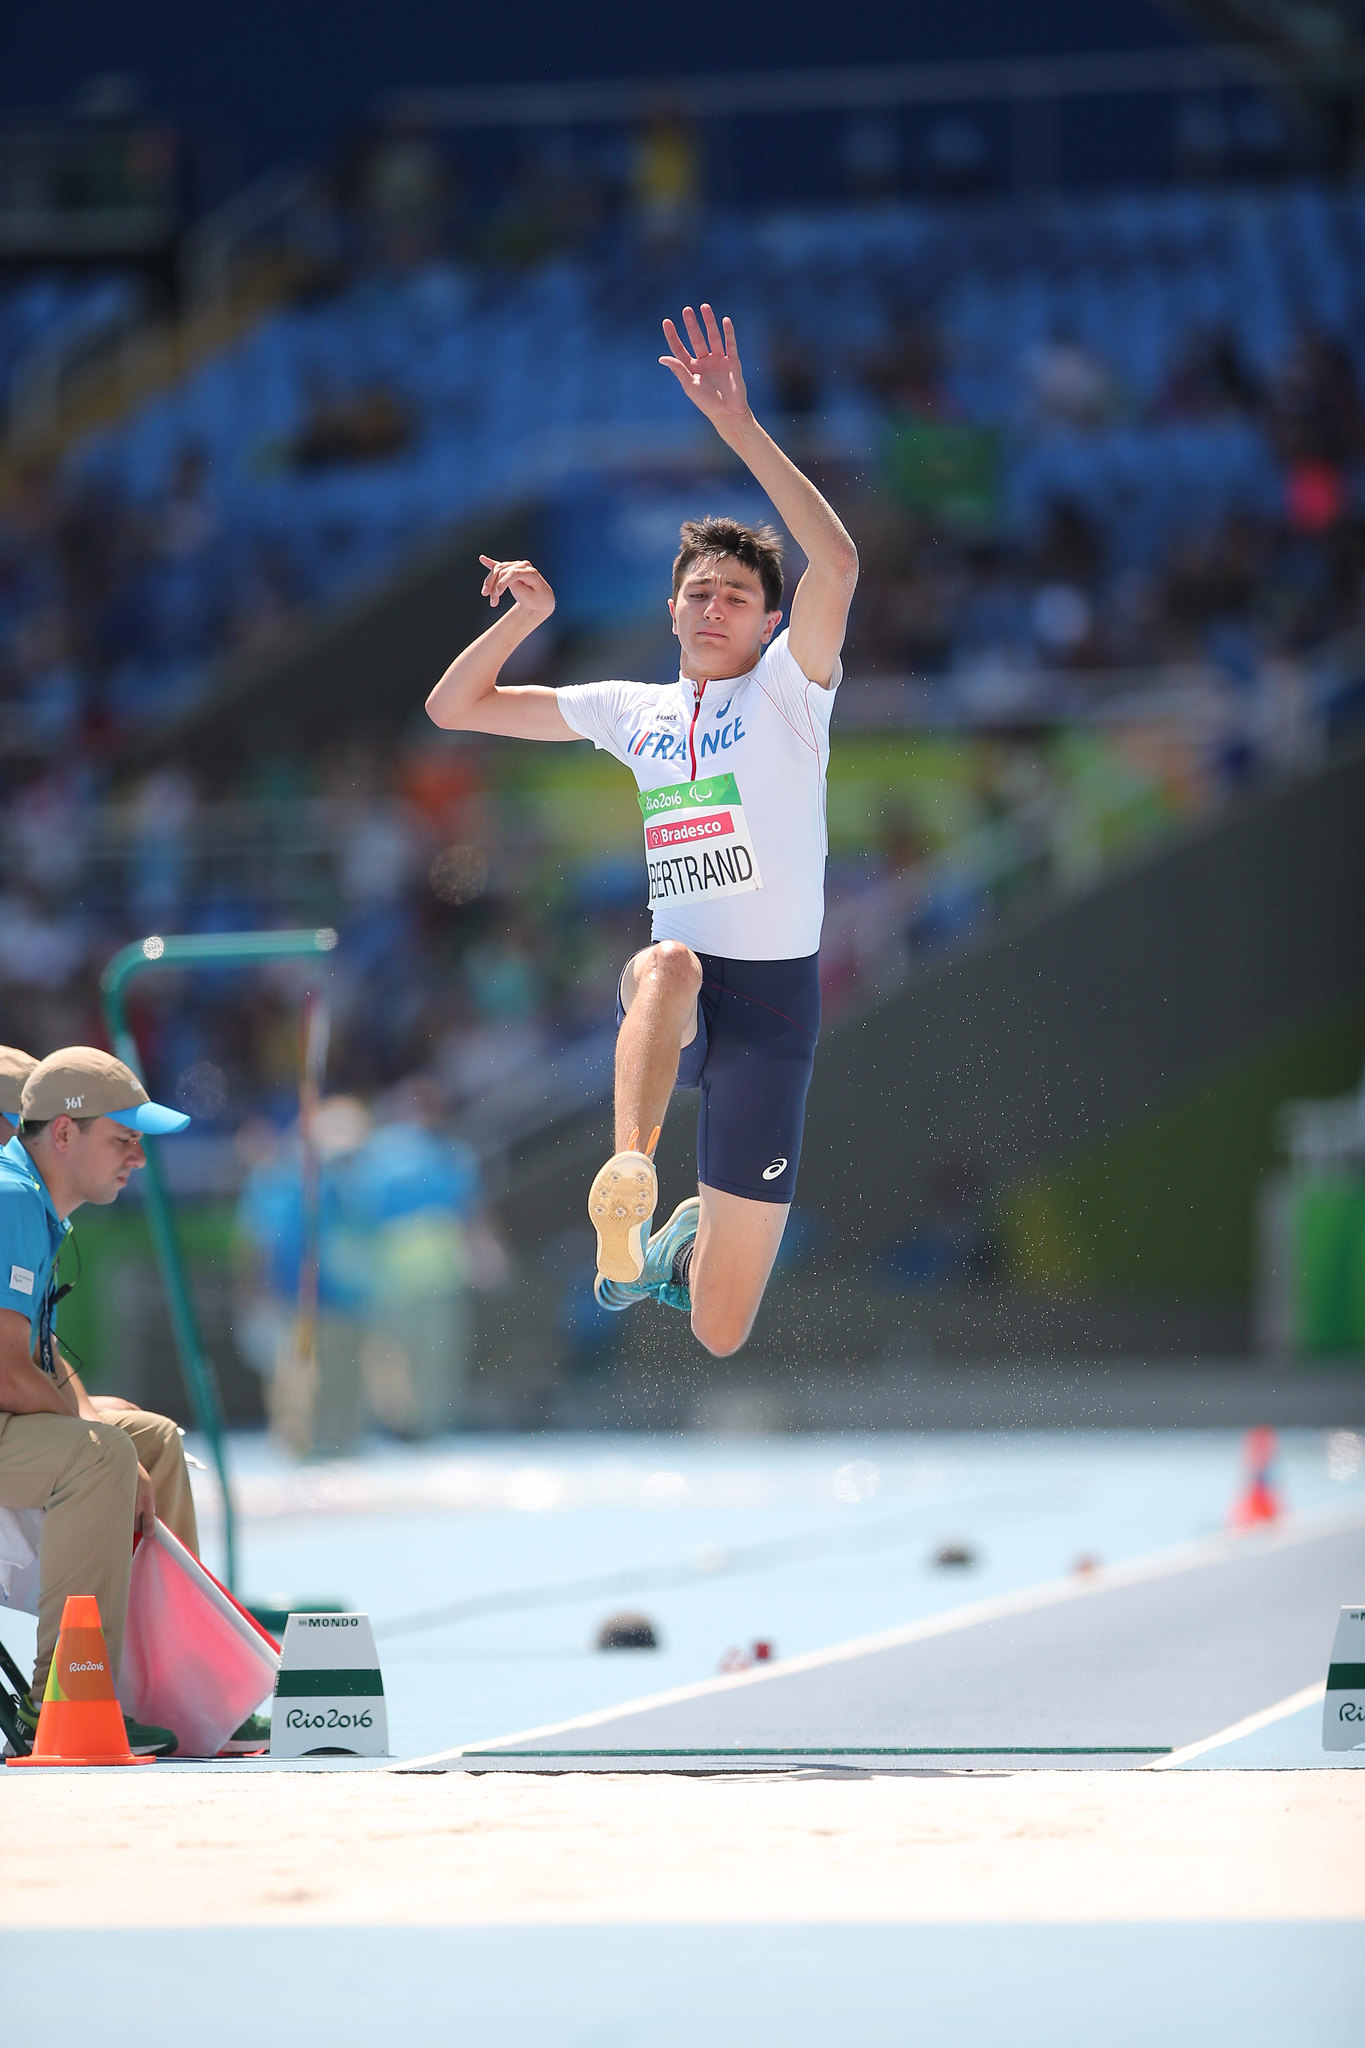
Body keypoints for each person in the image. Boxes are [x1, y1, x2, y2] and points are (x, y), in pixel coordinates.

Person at [426, 304, 858, 1356]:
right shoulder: (634, 711)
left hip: (777, 1005)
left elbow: (837, 563)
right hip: (686, 984)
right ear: (670, 611)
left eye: (737, 595)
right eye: (697, 592)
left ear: (768, 621)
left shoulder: (793, 693)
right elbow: (455, 708)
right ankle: (630, 1175)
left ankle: (660, 1258)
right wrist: (526, 618)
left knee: (718, 1331)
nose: (715, 606)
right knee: (663, 963)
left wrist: (740, 426)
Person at [0, 1047, 201, 1755]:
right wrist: (98, 1442)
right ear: (63, 1134)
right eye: (124, 1139)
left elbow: (38, 1356)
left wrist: (98, 1426)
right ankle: (60, 1696)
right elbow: (5, 1369)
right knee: (103, 1457)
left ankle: (177, 1685)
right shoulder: (11, 1197)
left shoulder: (31, 1199)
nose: (138, 1159)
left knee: (149, 1437)